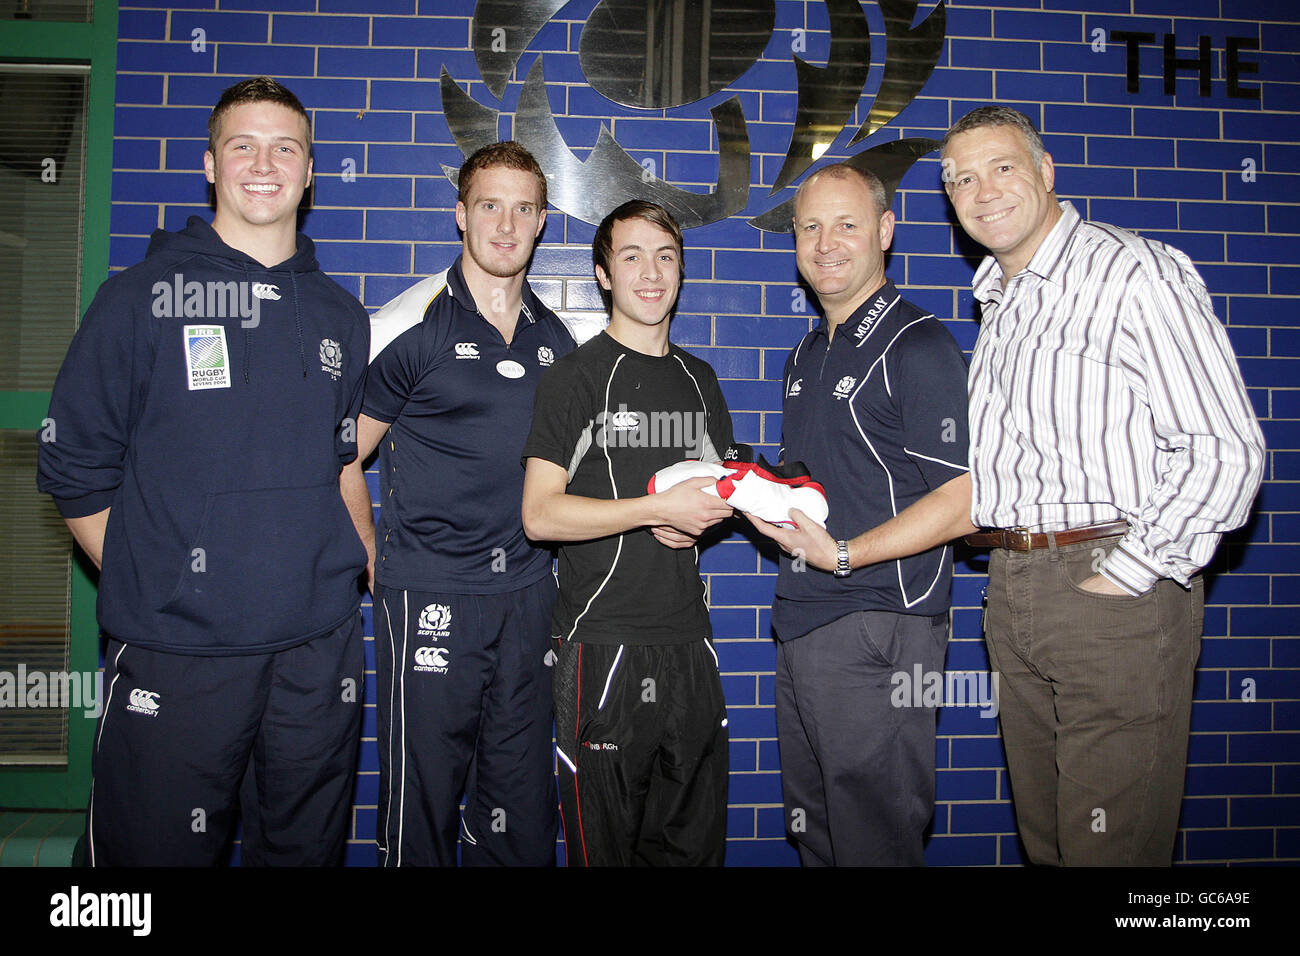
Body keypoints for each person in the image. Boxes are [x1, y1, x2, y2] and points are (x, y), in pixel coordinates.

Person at [37, 77, 369, 866]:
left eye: (285, 147)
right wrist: (161, 585)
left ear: (310, 170)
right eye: (242, 146)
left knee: (303, 855)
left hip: (316, 657)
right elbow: (74, 466)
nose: (264, 164)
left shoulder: (339, 315)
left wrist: (354, 568)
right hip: (176, 657)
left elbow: (337, 460)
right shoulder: (140, 297)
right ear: (212, 165)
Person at [941, 106, 1265, 866]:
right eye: (959, 180)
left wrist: (1128, 573)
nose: (981, 191)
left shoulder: (1131, 270)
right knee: (1052, 843)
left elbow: (1225, 445)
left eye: (1001, 168)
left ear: (1047, 172)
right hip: (1014, 586)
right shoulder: (1002, 301)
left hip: (1108, 587)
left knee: (1110, 850)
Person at [339, 141, 575, 866]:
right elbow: (345, 456)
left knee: (520, 797)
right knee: (425, 799)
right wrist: (375, 558)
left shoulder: (556, 339)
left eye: (523, 208)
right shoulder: (412, 322)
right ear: (461, 216)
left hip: (530, 593)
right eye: (489, 206)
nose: (506, 225)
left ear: (540, 224)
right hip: (431, 593)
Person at [745, 163, 975, 866]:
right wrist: (754, 494)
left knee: (874, 842)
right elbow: (826, 487)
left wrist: (843, 554)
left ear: (885, 231)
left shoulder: (919, 345)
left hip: (878, 629)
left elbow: (966, 500)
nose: (825, 242)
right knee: (816, 837)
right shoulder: (807, 352)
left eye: (846, 223)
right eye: (809, 227)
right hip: (805, 622)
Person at [521, 200, 735, 866]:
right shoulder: (576, 380)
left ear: (681, 271)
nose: (651, 272)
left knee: (690, 851)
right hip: (603, 649)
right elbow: (539, 514)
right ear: (604, 274)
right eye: (632, 256)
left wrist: (706, 516)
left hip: (690, 649)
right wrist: (655, 510)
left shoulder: (701, 381)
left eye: (666, 256)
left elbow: (712, 496)